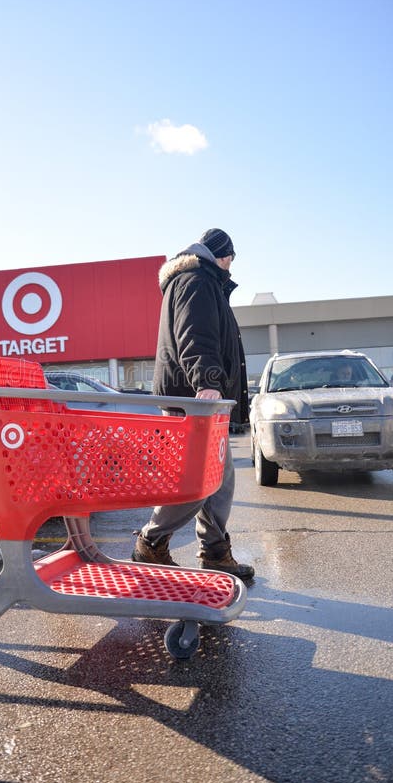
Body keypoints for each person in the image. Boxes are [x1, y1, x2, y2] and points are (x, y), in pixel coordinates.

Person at [131, 228, 254, 580]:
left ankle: (214, 552)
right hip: (194, 401)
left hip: (200, 402)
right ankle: (150, 541)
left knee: (220, 480)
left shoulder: (200, 280)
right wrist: (208, 383)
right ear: (223, 255)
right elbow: (195, 334)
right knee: (200, 481)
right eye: (231, 258)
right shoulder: (196, 279)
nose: (231, 265)